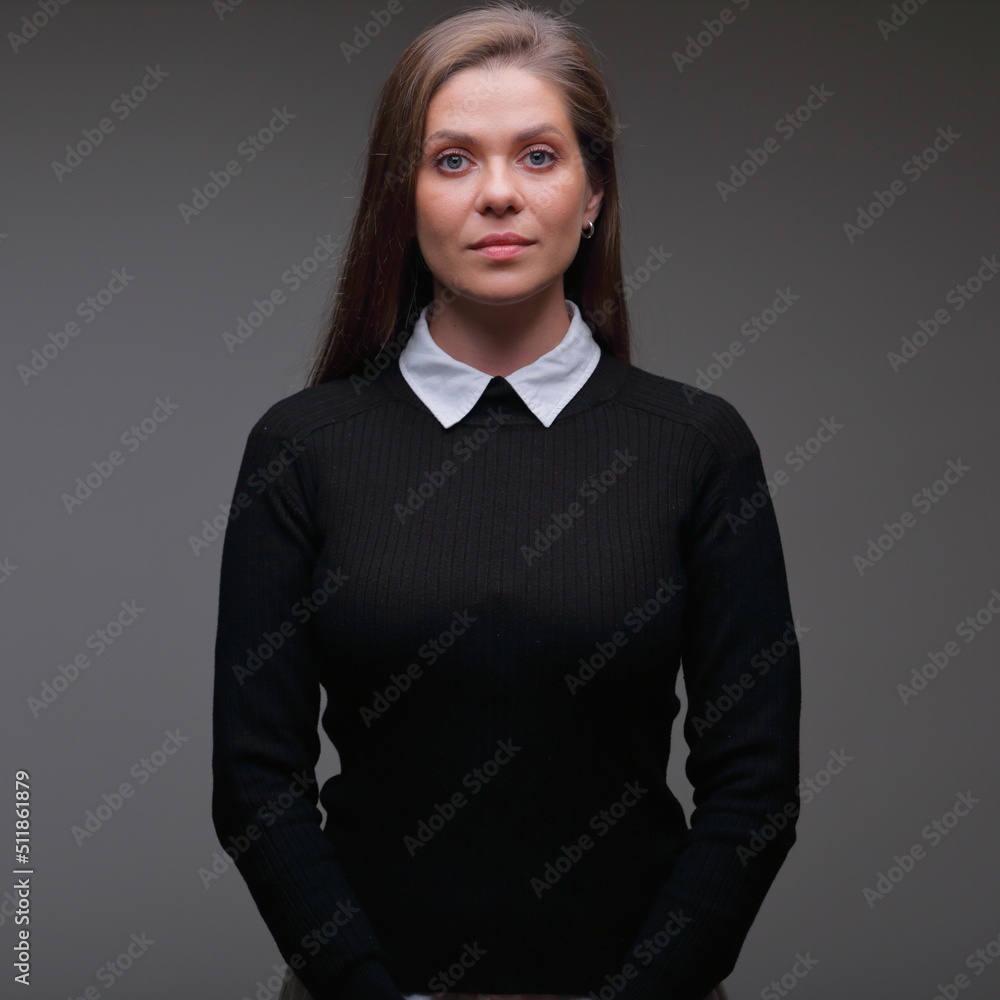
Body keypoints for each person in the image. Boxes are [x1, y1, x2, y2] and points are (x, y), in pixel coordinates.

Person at [211, 3, 800, 999]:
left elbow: (754, 791)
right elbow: (256, 787)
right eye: (451, 160)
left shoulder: (697, 447)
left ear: (593, 191)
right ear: (402, 198)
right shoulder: (300, 450)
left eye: (536, 156)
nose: (496, 195)